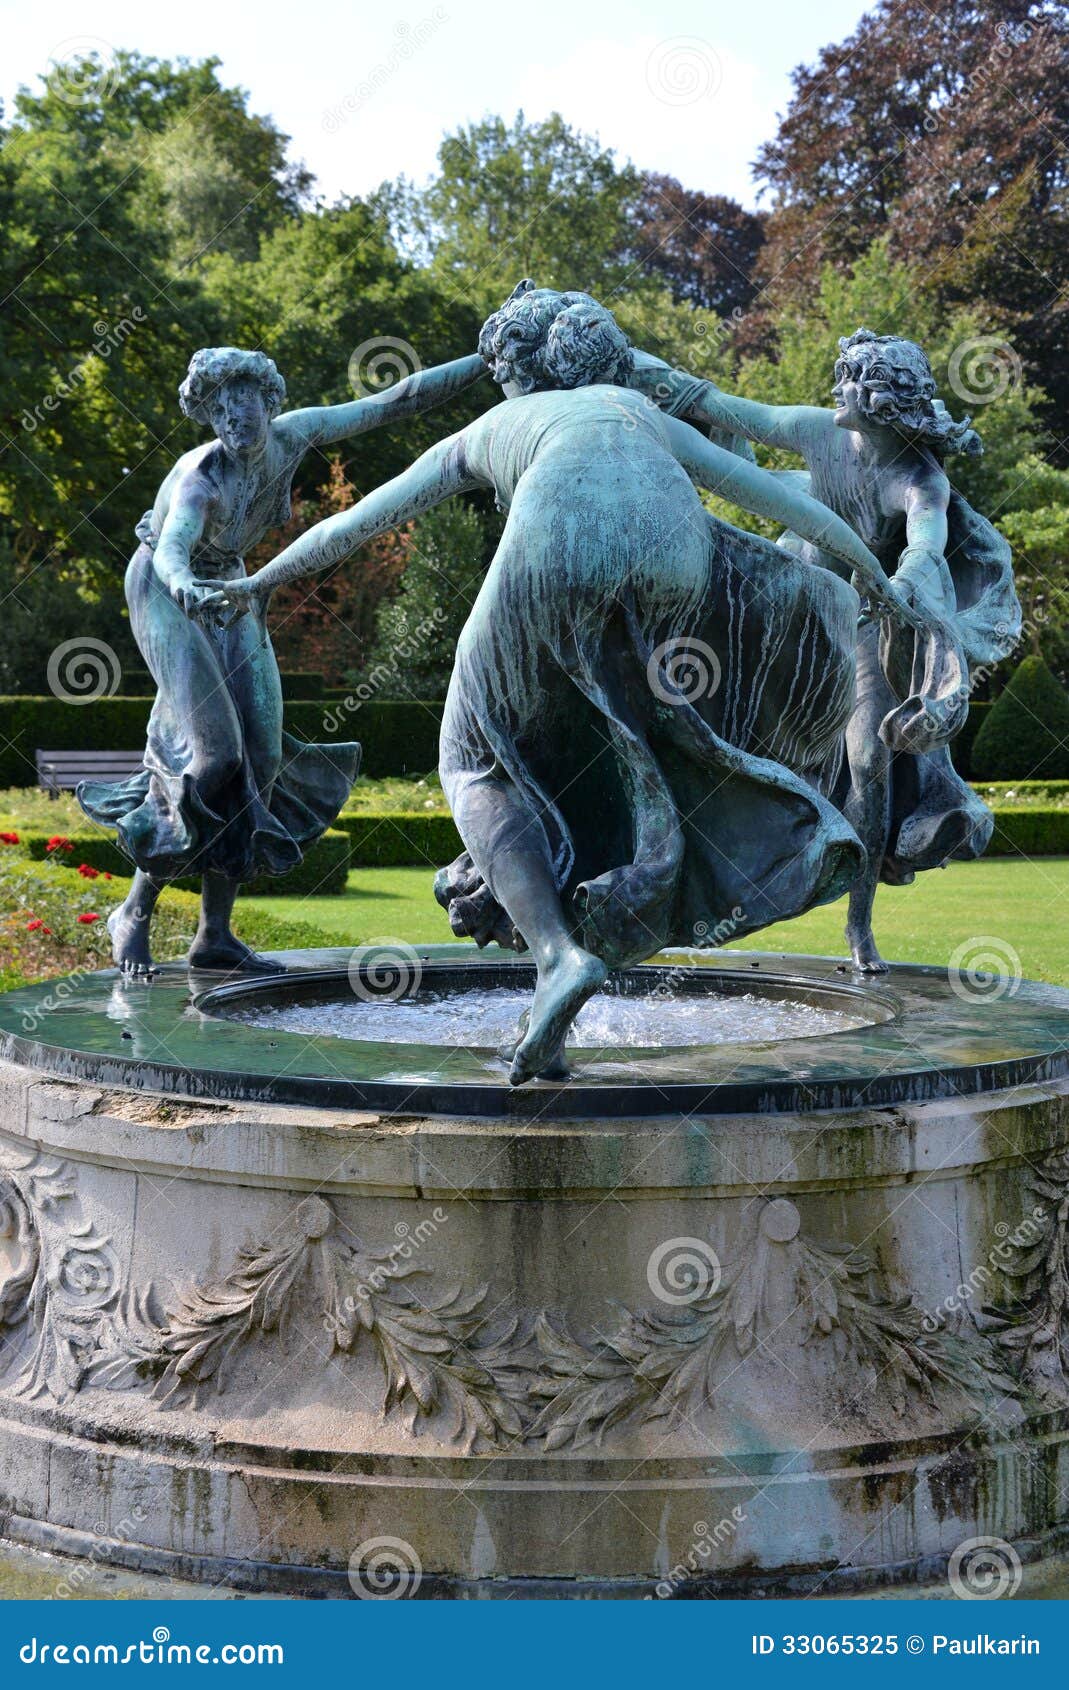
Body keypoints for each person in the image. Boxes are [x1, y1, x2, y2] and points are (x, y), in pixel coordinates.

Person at [219, 296, 922, 1081]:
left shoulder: (499, 425)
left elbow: (363, 519)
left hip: (560, 545)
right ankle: (619, 891)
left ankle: (558, 956)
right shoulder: (636, 409)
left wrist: (264, 581)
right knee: (617, 732)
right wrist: (874, 579)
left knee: (470, 757)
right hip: (675, 561)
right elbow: (775, 502)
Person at [620, 326, 1021, 970]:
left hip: (870, 614)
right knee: (709, 699)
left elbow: (925, 539)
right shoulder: (819, 432)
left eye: (855, 377)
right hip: (797, 594)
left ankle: (858, 924)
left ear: (882, 401)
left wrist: (909, 578)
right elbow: (724, 406)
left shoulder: (919, 479)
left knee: (868, 758)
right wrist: (635, 368)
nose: (842, 383)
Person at [78, 343, 486, 975]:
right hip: (166, 591)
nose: (239, 434)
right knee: (215, 756)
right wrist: (183, 582)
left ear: (270, 408)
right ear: (212, 419)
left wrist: (485, 360)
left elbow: (391, 403)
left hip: (233, 586)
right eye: (225, 422)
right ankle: (133, 910)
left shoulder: (295, 437)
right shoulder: (199, 478)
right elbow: (172, 550)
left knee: (262, 758)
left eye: (249, 419)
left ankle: (214, 934)